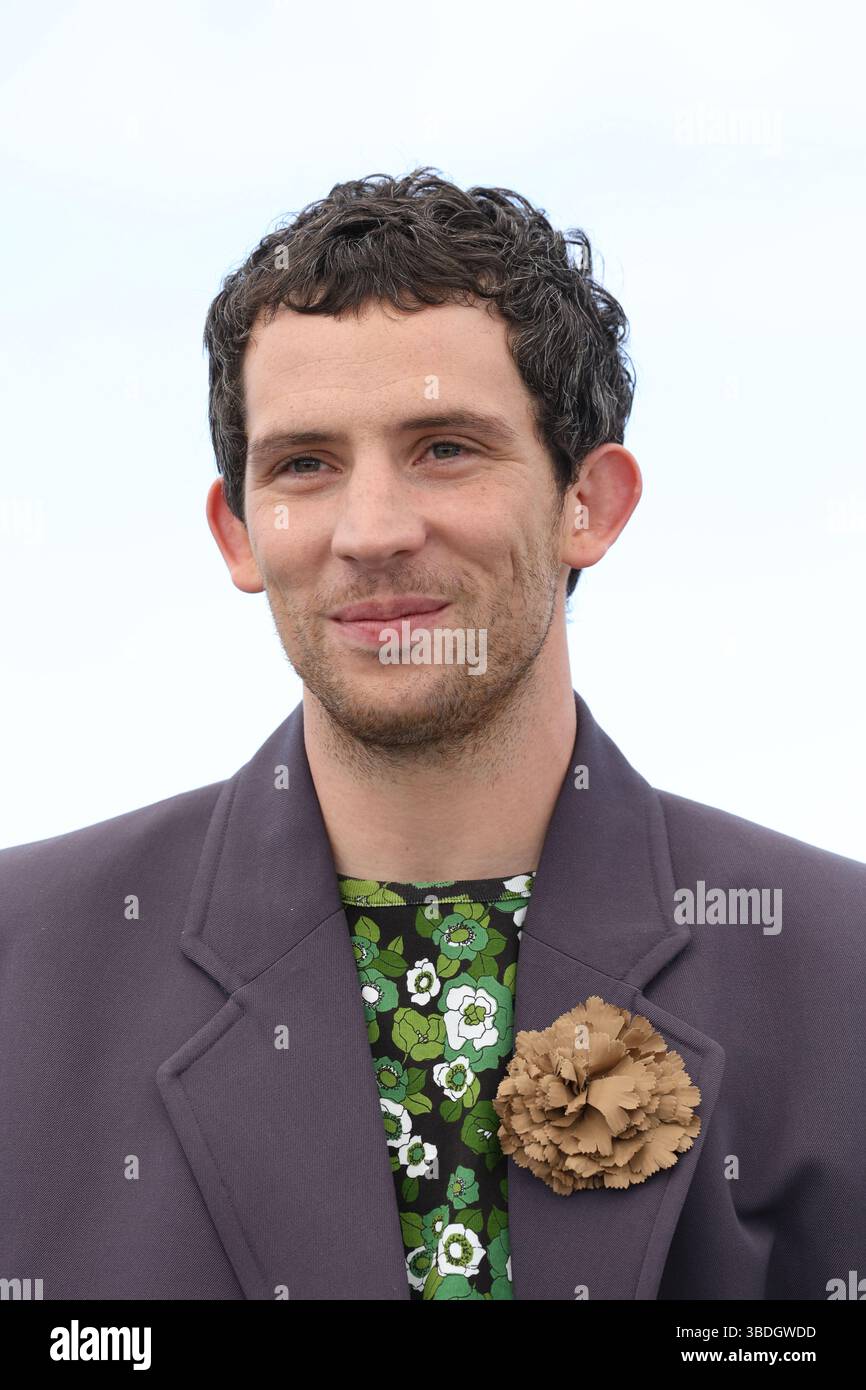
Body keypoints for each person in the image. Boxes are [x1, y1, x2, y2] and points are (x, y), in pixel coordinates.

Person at [1, 168, 863, 1302]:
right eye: (304, 464)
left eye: (444, 447)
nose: (371, 531)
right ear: (238, 532)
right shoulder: (22, 969)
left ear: (588, 503)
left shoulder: (838, 970)